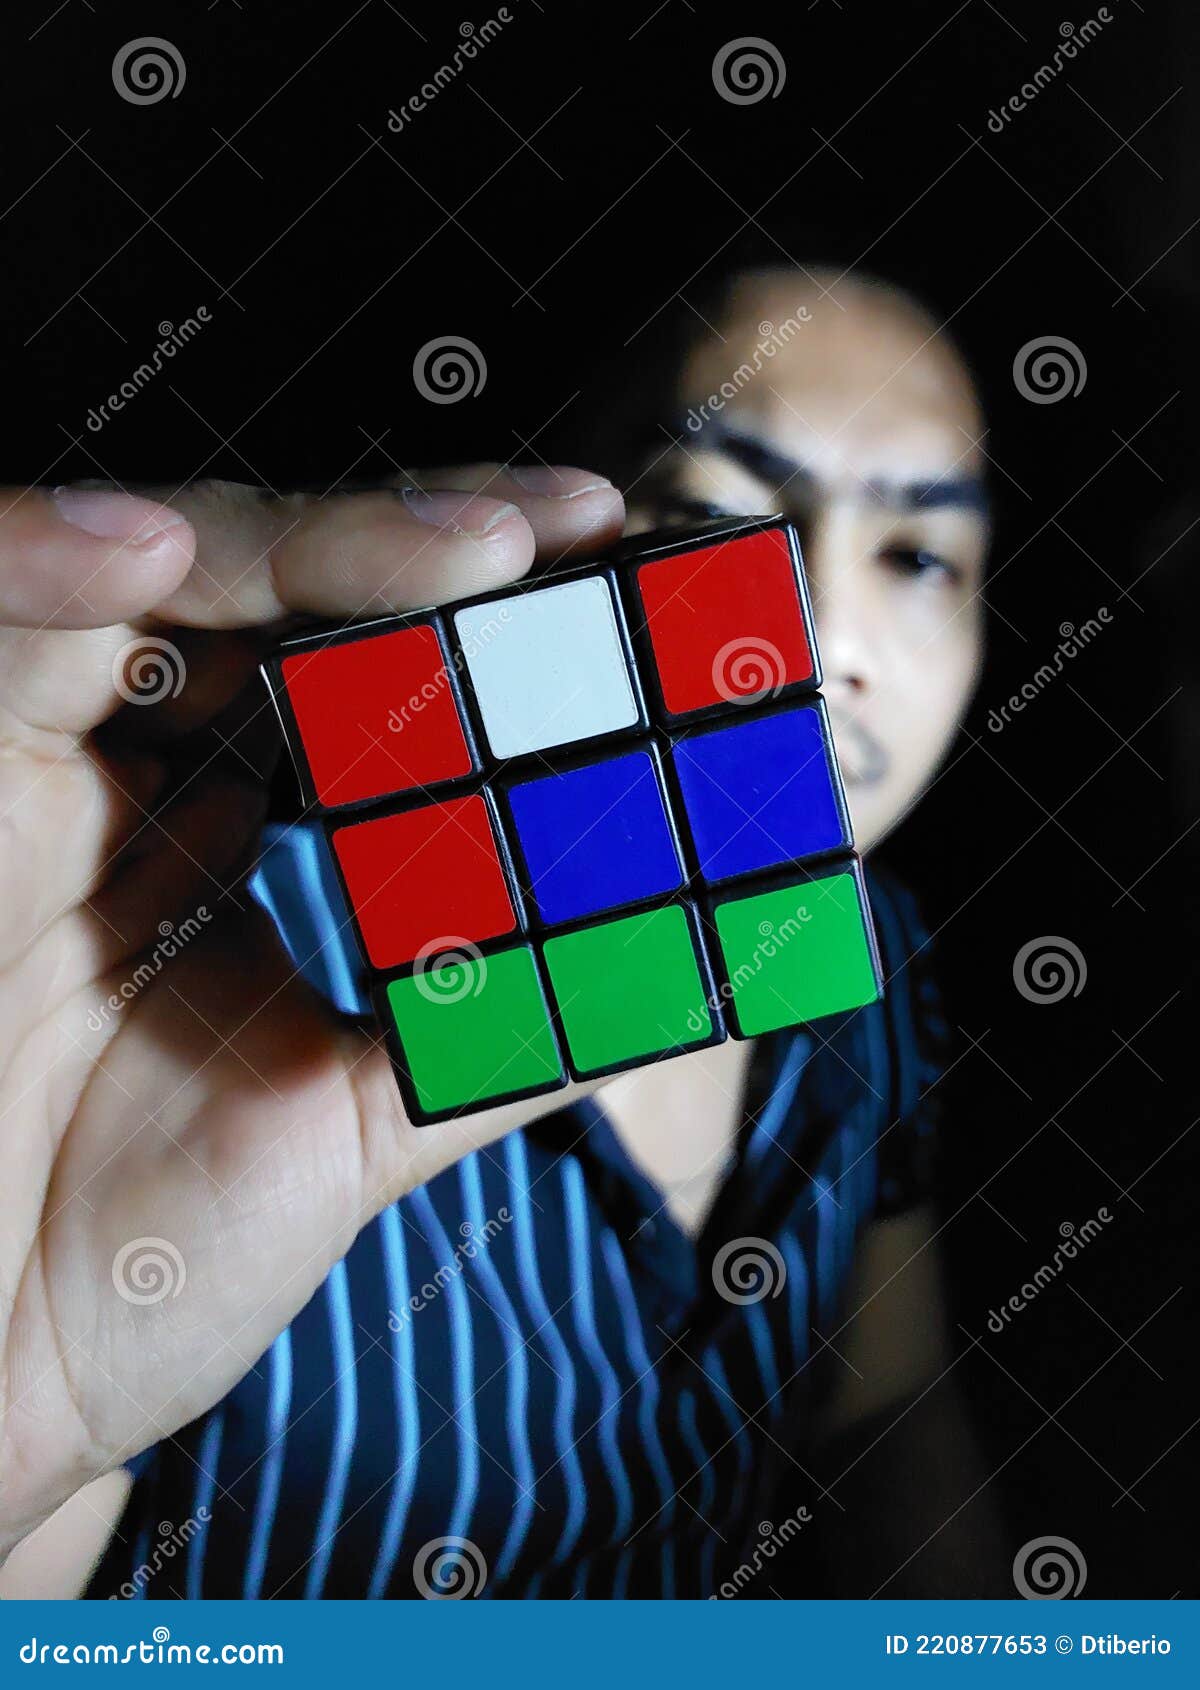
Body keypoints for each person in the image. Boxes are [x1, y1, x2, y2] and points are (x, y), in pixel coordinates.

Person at [0, 261, 995, 1600]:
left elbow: (888, 1410)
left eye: (920, 554)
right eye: (712, 518)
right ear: (557, 538)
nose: (817, 635)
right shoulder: (201, 945)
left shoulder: (876, 962)